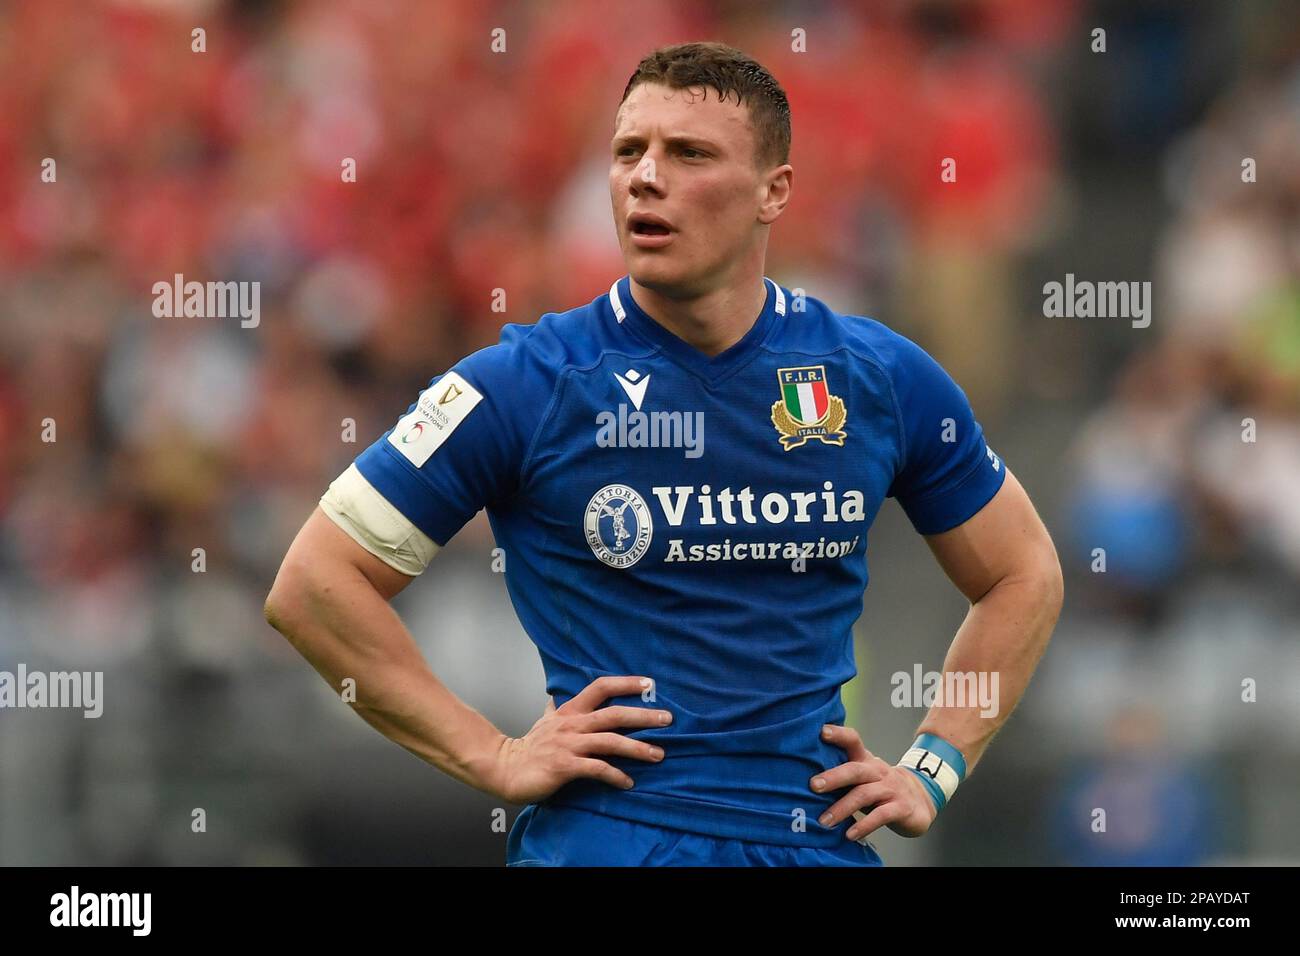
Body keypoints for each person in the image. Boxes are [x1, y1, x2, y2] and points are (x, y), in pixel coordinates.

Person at [264, 41, 1063, 866]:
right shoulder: (524, 384)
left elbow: (1022, 572)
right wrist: (489, 752)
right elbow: (315, 584)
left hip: (813, 842)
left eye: (689, 154)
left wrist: (934, 763)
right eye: (627, 152)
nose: (646, 177)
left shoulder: (877, 379)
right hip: (608, 842)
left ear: (772, 192)